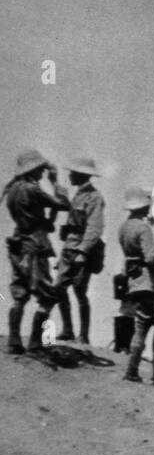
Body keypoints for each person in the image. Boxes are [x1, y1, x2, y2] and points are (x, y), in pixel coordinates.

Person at [4, 148, 70, 354]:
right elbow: (63, 205)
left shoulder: (13, 190)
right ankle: (35, 342)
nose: (42, 172)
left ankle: (14, 340)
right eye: (40, 169)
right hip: (35, 245)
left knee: (20, 292)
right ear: (33, 169)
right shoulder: (32, 190)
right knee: (47, 295)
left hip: (18, 243)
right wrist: (55, 181)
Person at [118, 186, 154, 385]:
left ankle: (140, 370)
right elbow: (149, 257)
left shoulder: (124, 227)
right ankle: (149, 372)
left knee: (145, 324)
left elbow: (135, 255)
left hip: (134, 281)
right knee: (150, 325)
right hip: (149, 282)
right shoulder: (144, 228)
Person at [53, 156, 105, 344]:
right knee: (58, 288)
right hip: (69, 248)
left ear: (81, 175)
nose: (70, 176)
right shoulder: (78, 195)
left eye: (73, 173)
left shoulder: (94, 197)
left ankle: (83, 335)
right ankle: (68, 329)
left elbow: (94, 227)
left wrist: (83, 252)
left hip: (81, 249)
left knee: (79, 290)